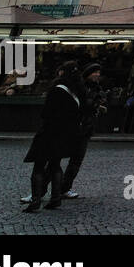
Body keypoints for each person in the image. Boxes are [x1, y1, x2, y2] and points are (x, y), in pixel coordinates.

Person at [22, 61, 83, 212]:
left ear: (62, 73)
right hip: (65, 134)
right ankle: (55, 199)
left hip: (49, 133)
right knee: (55, 165)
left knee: (39, 167)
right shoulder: (76, 92)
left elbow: (46, 113)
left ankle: (35, 200)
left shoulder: (57, 91)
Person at [60, 63, 105, 199]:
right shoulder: (78, 87)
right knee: (55, 159)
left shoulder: (98, 89)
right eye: (94, 72)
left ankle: (64, 188)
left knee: (76, 161)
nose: (97, 75)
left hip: (85, 128)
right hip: (72, 127)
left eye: (98, 72)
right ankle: (42, 189)